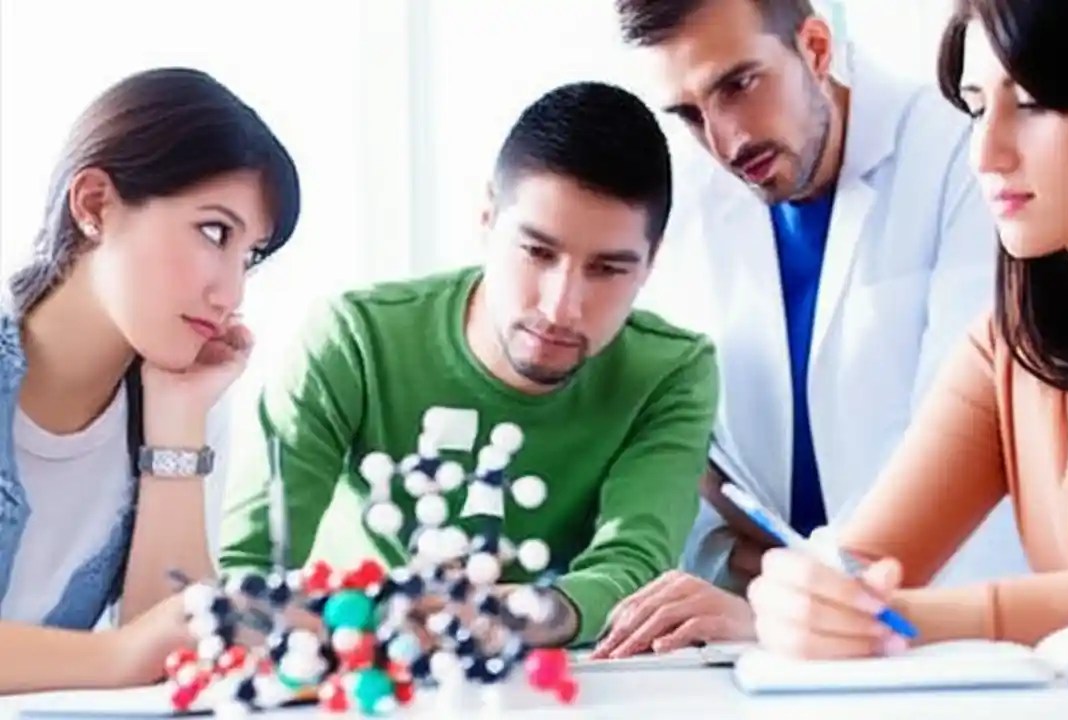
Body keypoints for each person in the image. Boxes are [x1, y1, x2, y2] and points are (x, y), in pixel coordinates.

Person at [745, 0, 1068, 658]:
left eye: (1028, 104)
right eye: (974, 107)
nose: (986, 154)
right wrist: (809, 601)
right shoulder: (1013, 344)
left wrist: (927, 619)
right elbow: (864, 564)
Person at [217, 81, 719, 649]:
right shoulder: (355, 339)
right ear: (487, 218)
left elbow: (635, 573)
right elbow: (247, 571)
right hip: (347, 676)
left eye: (607, 270)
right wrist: (374, 620)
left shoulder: (673, 371)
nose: (561, 306)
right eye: (537, 252)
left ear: (650, 265)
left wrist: (500, 617)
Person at [594, 0, 1025, 658]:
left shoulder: (964, 156)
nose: (725, 141)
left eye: (738, 84)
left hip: (941, 634)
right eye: (686, 113)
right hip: (763, 633)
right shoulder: (687, 199)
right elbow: (685, 453)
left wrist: (796, 596)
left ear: (816, 49)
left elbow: (969, 451)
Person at [0, 68, 301, 693]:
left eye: (249, 256)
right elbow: (135, 652)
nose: (232, 292)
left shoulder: (181, 402)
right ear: (95, 205)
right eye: (214, 231)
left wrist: (177, 417)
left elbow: (170, 658)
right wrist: (115, 656)